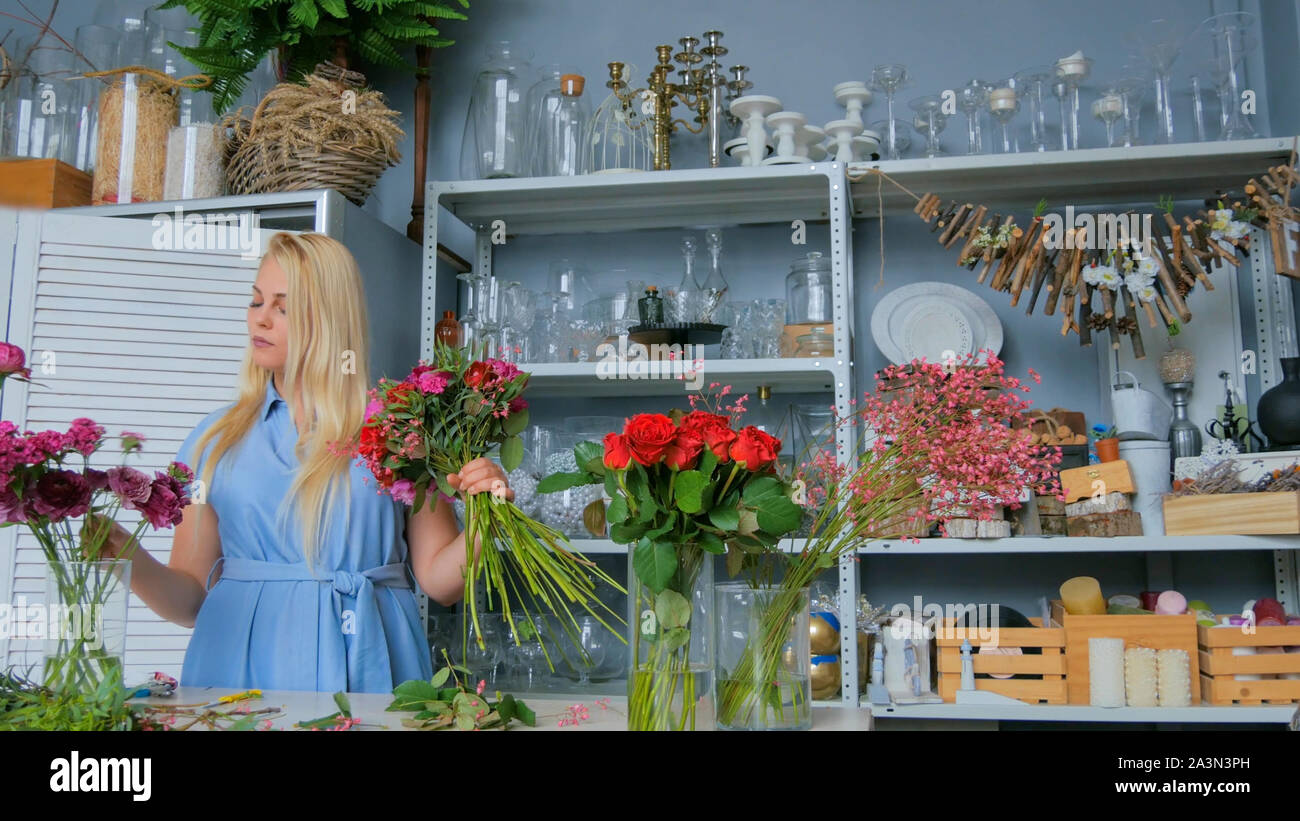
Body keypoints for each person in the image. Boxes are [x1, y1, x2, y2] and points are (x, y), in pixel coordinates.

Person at [84, 232, 510, 693]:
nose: (260, 319)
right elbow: (191, 601)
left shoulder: (400, 431)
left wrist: (488, 515)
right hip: (237, 673)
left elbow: (440, 582)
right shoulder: (214, 440)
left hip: (368, 665)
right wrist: (127, 557)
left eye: (282, 308)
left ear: (327, 320)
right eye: (256, 301)